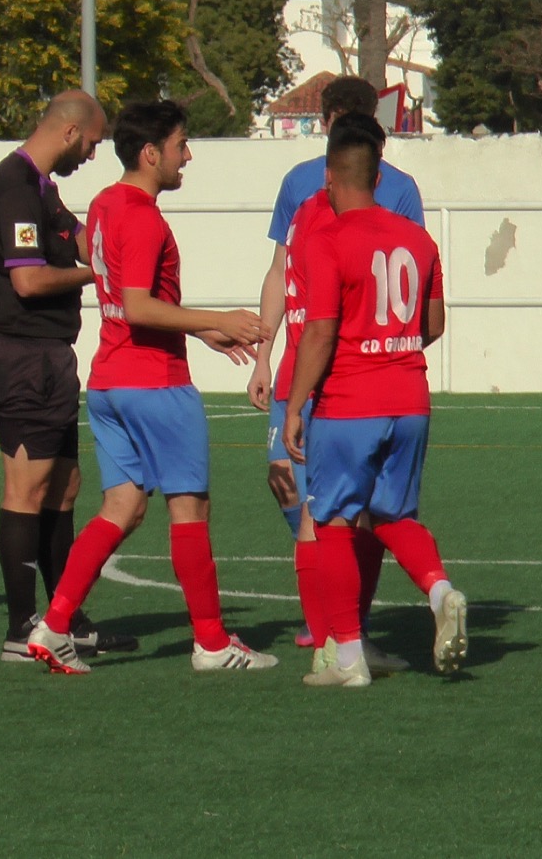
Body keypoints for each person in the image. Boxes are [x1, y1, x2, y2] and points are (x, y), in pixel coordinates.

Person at [24, 100, 275, 674]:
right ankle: (211, 643)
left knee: (123, 505)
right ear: (150, 152)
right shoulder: (142, 216)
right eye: (182, 144)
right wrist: (222, 318)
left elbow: (131, 299)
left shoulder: (108, 203)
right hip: (154, 385)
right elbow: (138, 306)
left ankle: (54, 624)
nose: (188, 156)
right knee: (189, 507)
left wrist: (203, 330)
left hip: (110, 381)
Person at [284, 113, 467, 686]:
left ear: (332, 181)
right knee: (392, 514)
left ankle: (348, 659)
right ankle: (439, 590)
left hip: (348, 401)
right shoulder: (418, 237)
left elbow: (319, 331)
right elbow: (432, 321)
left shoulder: (326, 238)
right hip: (409, 397)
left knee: (334, 520)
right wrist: (392, 343)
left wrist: (294, 406)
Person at [249, 76, 423, 655]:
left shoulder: (393, 189)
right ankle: (331, 622)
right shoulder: (299, 184)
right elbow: (281, 270)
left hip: (347, 369)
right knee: (290, 488)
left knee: (350, 508)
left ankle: (341, 629)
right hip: (300, 358)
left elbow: (405, 285)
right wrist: (264, 349)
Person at [0, 90, 136, 661]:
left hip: (45, 356)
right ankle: (22, 629)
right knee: (27, 487)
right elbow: (29, 281)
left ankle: (67, 616)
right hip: (21, 356)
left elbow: (79, 239)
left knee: (64, 486)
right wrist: (97, 276)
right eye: (92, 143)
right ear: (69, 132)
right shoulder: (17, 185)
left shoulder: (43, 190)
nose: (92, 154)